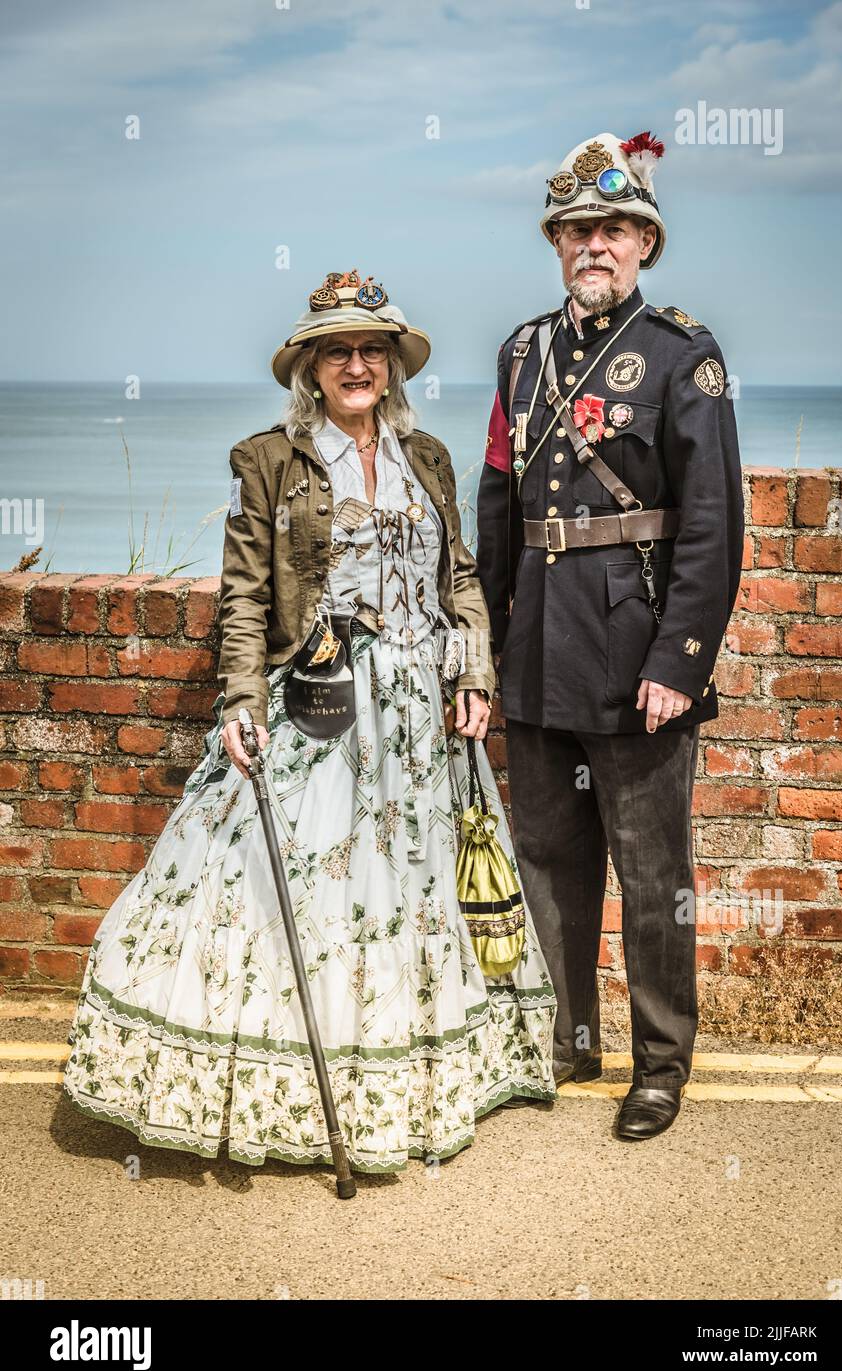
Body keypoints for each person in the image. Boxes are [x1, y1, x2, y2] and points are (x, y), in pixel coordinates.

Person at [62, 269, 556, 1175]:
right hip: (321, 702)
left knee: (404, 893)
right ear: (311, 369)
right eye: (338, 351)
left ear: (392, 365)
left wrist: (473, 668)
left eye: (371, 349)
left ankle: (405, 1080)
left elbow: (457, 578)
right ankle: (281, 1083)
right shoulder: (270, 461)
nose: (357, 364)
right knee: (291, 883)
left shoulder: (429, 456)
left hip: (418, 713)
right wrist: (241, 701)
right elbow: (246, 598)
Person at [475, 133, 745, 1139]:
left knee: (653, 873)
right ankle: (566, 1042)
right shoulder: (519, 352)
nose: (593, 244)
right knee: (549, 858)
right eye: (576, 229)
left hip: (637, 659)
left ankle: (661, 1063)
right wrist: (490, 647)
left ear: (644, 241)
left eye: (613, 229)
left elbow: (713, 520)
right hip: (540, 647)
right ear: (557, 244)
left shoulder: (683, 353)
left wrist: (680, 659)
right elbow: (500, 502)